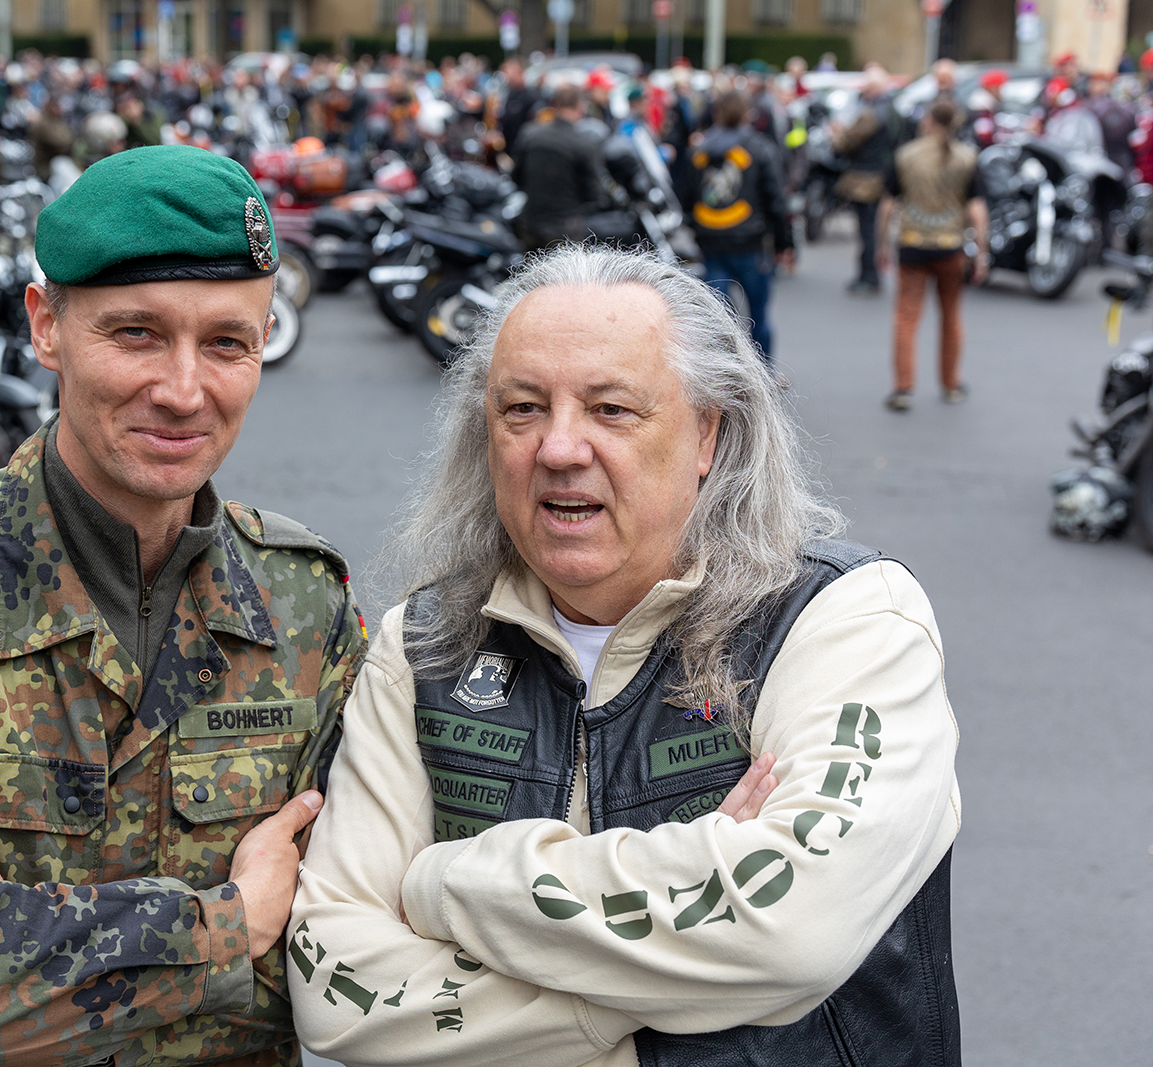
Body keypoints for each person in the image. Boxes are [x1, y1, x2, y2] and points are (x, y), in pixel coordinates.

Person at [290, 245, 961, 1066]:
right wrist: (683, 966)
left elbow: (791, 931)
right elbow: (334, 987)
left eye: (610, 409)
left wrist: (442, 883)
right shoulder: (423, 646)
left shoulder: (846, 622)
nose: (559, 448)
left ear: (708, 432)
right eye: (522, 408)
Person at [0, 144, 366, 1066]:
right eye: (136, 333)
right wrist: (231, 921)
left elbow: (359, 932)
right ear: (46, 325)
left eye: (227, 343)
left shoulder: (306, 603)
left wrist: (14, 933)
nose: (183, 390)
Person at [878, 99, 989, 411]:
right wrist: (982, 253)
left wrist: (882, 245)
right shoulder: (967, 157)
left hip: (912, 244)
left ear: (928, 121)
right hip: (950, 247)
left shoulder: (905, 155)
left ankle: (903, 387)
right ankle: (951, 383)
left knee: (906, 317)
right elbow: (977, 210)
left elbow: (888, 204)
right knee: (951, 315)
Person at [678, 89, 793, 362]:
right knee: (759, 317)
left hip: (711, 242)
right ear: (747, 114)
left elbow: (684, 196)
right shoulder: (760, 148)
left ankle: (723, 376)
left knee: (717, 321)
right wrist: (784, 243)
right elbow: (776, 200)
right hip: (751, 241)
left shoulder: (698, 149)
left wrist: (696, 228)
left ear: (716, 113)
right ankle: (763, 374)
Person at [511, 83, 609, 249]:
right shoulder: (583, 144)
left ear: (554, 104)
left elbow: (516, 178)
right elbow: (595, 193)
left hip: (530, 224)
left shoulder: (530, 134)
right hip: (566, 229)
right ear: (579, 106)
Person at [833, 63, 902, 294]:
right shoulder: (894, 110)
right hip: (885, 174)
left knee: (868, 229)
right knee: (875, 227)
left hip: (866, 178)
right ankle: (870, 274)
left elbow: (847, 143)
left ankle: (869, 276)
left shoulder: (871, 114)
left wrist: (837, 134)